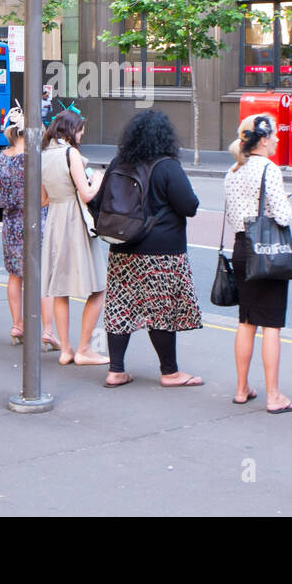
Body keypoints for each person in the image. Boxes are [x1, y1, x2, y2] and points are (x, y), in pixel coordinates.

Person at [101, 110, 204, 389]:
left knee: (120, 307)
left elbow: (99, 202)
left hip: (123, 248)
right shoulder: (167, 166)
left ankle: (116, 370)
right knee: (161, 310)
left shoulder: (118, 163)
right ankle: (170, 372)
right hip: (162, 253)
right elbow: (189, 206)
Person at [225, 114, 292, 413]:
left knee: (246, 321)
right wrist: (285, 200)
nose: (278, 140)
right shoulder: (269, 169)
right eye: (275, 135)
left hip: (241, 248)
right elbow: (282, 216)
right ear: (264, 139)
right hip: (266, 251)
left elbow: (233, 215)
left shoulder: (233, 169)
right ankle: (274, 396)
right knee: (271, 325)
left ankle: (242, 388)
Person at [41, 109, 108, 366]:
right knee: (98, 286)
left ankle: (66, 349)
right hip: (75, 221)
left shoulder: (45, 155)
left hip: (56, 221)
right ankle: (84, 349)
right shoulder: (72, 154)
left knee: (60, 289)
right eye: (80, 130)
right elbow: (87, 194)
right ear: (71, 130)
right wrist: (98, 179)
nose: (82, 134)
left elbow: (43, 199)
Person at [0, 108, 50, 345]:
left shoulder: (3, 157)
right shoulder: (36, 158)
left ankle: (17, 325)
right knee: (42, 277)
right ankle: (48, 330)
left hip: (11, 222)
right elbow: (45, 196)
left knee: (15, 276)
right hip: (36, 220)